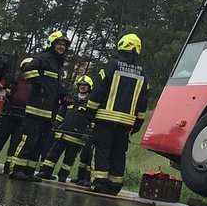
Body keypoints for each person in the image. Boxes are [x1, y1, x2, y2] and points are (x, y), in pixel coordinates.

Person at [87, 33, 148, 195]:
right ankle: (114, 187)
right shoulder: (142, 73)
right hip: (126, 123)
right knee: (118, 153)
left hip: (105, 119)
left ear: (122, 45)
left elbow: (98, 91)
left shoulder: (112, 65)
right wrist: (137, 124)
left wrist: (89, 113)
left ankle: (99, 184)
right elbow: (143, 102)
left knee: (102, 150)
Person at [8, 31, 69, 180]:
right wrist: (40, 87)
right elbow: (28, 70)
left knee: (40, 143)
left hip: (49, 111)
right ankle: (17, 169)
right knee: (29, 139)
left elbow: (54, 86)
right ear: (52, 44)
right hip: (36, 109)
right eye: (59, 44)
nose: (61, 47)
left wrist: (64, 96)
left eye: (64, 45)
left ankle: (29, 171)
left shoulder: (58, 63)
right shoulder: (44, 58)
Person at [37, 74, 94, 182]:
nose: (82, 87)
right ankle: (45, 172)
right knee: (52, 155)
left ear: (89, 87)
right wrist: (56, 123)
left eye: (85, 85)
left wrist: (88, 131)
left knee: (69, 159)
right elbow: (61, 112)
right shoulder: (71, 98)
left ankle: (62, 176)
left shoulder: (90, 103)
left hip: (77, 137)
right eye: (80, 84)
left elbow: (92, 120)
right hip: (62, 134)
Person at [0, 57, 33, 174]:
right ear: (22, 67)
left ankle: (9, 167)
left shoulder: (35, 83)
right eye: (26, 66)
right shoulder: (13, 78)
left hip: (24, 118)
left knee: (15, 145)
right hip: (8, 114)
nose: (28, 68)